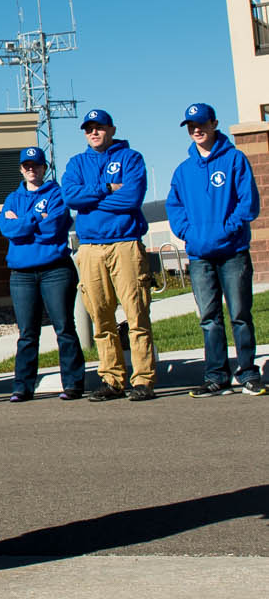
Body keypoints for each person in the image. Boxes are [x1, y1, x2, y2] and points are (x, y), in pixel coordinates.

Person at [166, 103, 264, 396]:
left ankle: (248, 373)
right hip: (199, 256)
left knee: (240, 315)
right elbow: (175, 207)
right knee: (209, 319)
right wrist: (189, 234)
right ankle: (216, 376)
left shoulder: (235, 159)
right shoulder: (183, 171)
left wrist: (226, 229)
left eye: (201, 124)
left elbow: (249, 204)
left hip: (233, 252)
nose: (197, 130)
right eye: (191, 126)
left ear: (214, 123)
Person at [61, 109, 157, 402]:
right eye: (89, 129)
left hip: (125, 243)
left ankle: (143, 379)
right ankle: (112, 379)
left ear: (111, 129)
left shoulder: (130, 158)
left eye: (99, 127)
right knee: (100, 317)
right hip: (90, 247)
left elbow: (131, 198)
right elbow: (70, 197)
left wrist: (92, 202)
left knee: (136, 314)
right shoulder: (76, 163)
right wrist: (105, 189)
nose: (94, 132)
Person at [0, 145, 88, 400]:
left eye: (36, 165)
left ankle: (72, 383)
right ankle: (22, 386)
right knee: (27, 333)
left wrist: (22, 222)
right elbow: (8, 229)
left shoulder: (57, 194)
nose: (31, 169)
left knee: (64, 327)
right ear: (21, 170)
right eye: (27, 166)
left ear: (44, 168)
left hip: (55, 270)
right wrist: (35, 218)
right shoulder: (12, 198)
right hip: (22, 275)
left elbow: (53, 227)